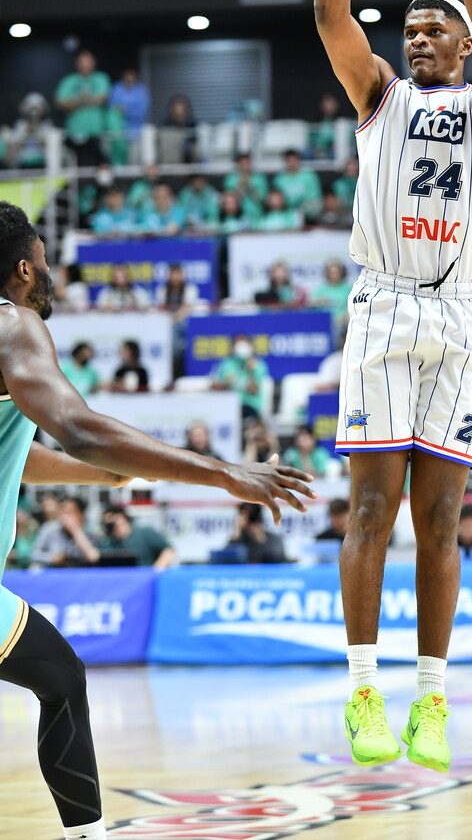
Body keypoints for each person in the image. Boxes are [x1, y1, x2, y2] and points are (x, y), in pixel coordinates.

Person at [0, 200, 315, 840]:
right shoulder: (12, 323)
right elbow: (81, 427)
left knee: (60, 676)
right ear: (24, 272)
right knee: (61, 680)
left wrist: (100, 475)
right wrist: (226, 473)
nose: (50, 270)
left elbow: (21, 455)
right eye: (43, 258)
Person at [315, 0, 472, 773]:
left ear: (463, 41)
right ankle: (362, 688)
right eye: (408, 32)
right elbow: (329, 17)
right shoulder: (382, 100)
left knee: (439, 522)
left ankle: (429, 703)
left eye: (433, 28)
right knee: (371, 510)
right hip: (385, 308)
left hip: (459, 318)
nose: (416, 38)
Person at [54, 48, 110, 166]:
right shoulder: (69, 81)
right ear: (77, 63)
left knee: (100, 165)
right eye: (83, 61)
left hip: (96, 132)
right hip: (75, 133)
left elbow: (101, 99)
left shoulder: (101, 78)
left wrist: (75, 102)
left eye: (89, 61)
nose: (86, 64)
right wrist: (87, 100)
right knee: (78, 168)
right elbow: (60, 103)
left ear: (94, 62)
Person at [29, 496, 103, 569]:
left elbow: (93, 557)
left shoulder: (91, 531)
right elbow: (33, 554)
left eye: (70, 513)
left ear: (81, 515)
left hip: (81, 574)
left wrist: (76, 531)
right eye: (63, 513)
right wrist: (52, 558)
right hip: (53, 572)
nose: (65, 517)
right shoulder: (49, 529)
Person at [211, 333, 268, 420]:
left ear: (250, 346)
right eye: (238, 345)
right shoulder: (226, 364)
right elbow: (216, 387)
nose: (241, 348)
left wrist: (250, 371)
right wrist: (227, 383)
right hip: (228, 404)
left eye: (244, 345)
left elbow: (254, 390)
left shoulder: (258, 365)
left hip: (249, 405)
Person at [99, 505, 175, 568]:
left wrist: (155, 571)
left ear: (121, 517)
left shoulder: (145, 533)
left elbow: (168, 550)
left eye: (111, 522)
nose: (109, 526)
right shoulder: (108, 542)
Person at [108, 68, 151, 146]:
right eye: (127, 79)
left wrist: (126, 110)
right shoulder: (116, 88)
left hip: (136, 130)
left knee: (134, 154)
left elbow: (142, 110)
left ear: (136, 79)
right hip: (117, 130)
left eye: (131, 79)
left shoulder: (141, 90)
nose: (129, 81)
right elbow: (111, 106)